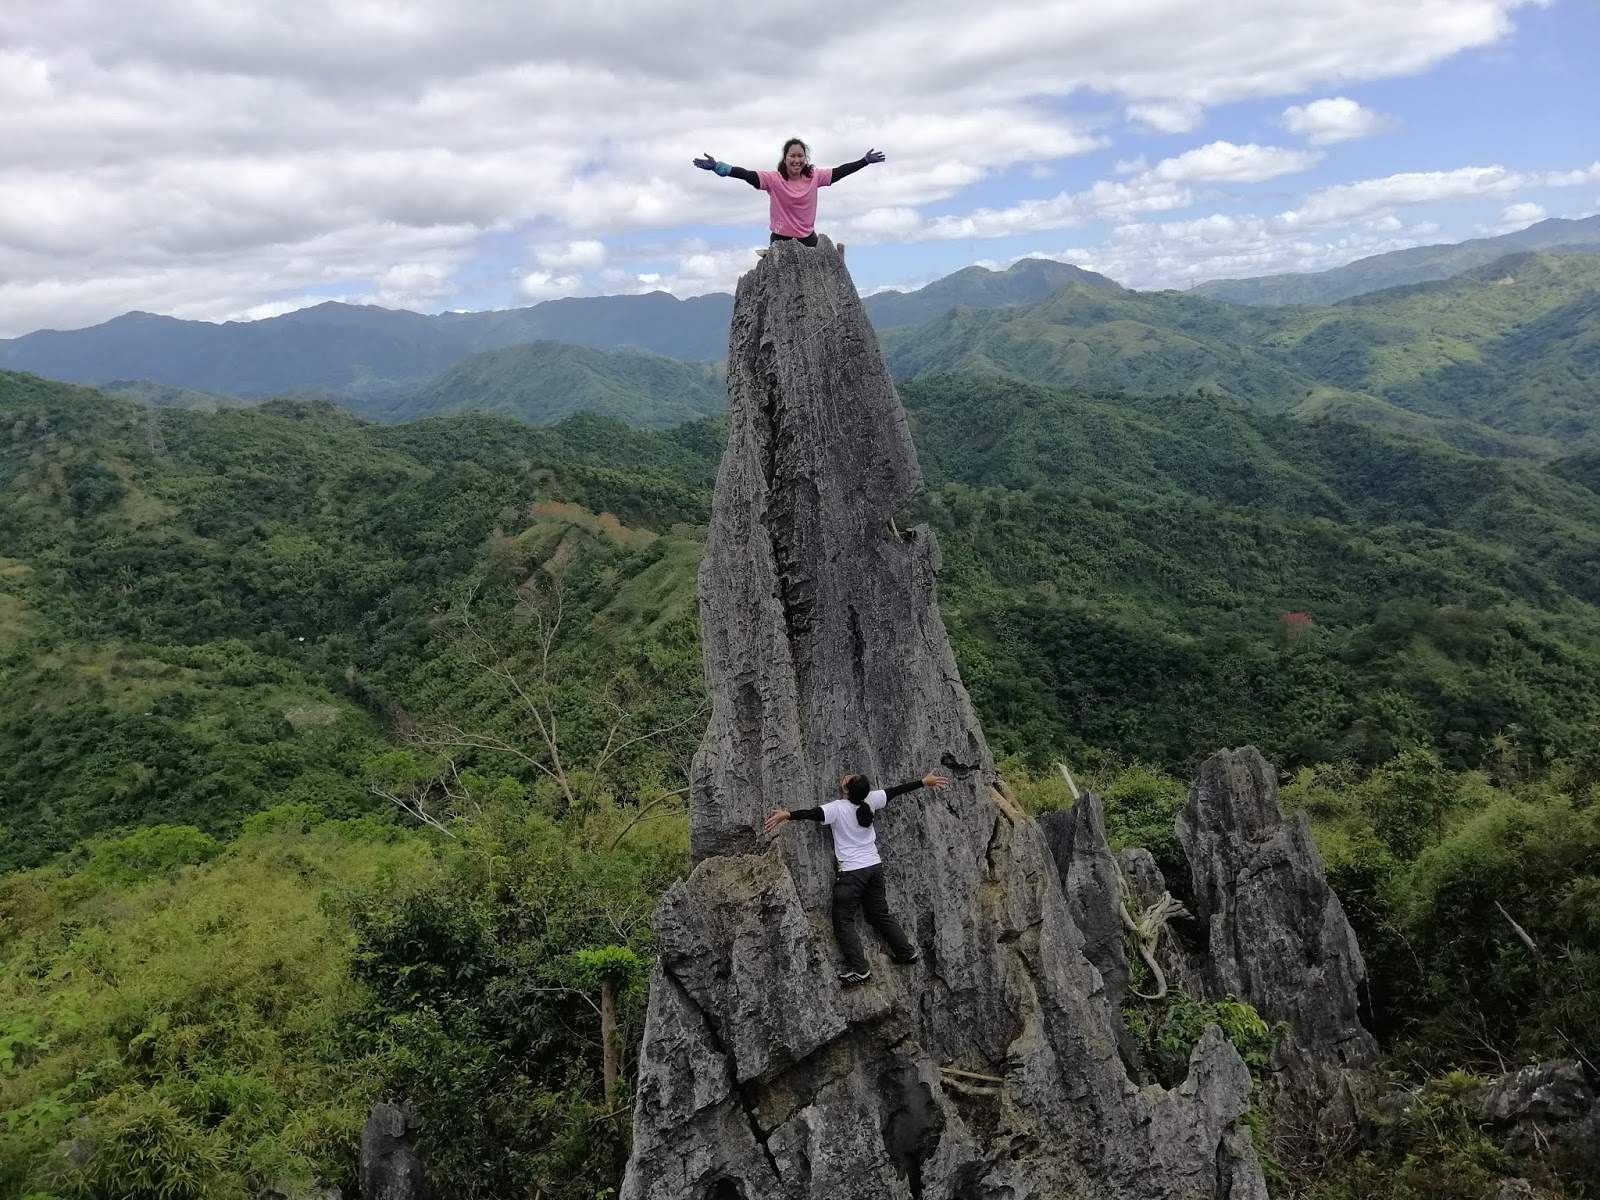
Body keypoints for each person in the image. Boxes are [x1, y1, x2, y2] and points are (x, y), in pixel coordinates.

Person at [765, 770, 948, 985]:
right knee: (880, 913)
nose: (844, 776)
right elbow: (896, 791)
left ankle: (860, 969)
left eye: (846, 780)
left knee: (842, 919)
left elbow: (812, 813)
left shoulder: (837, 808)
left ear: (846, 790)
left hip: (852, 873)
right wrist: (924, 782)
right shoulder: (872, 799)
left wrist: (787, 815)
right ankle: (906, 952)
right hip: (874, 867)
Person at [693, 138, 885, 253]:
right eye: (792, 156)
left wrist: (864, 161)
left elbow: (839, 172)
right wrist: (719, 167)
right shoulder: (774, 180)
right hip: (781, 239)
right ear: (785, 159)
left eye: (800, 156)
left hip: (808, 238)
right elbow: (746, 174)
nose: (796, 160)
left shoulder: (814, 177)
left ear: (805, 158)